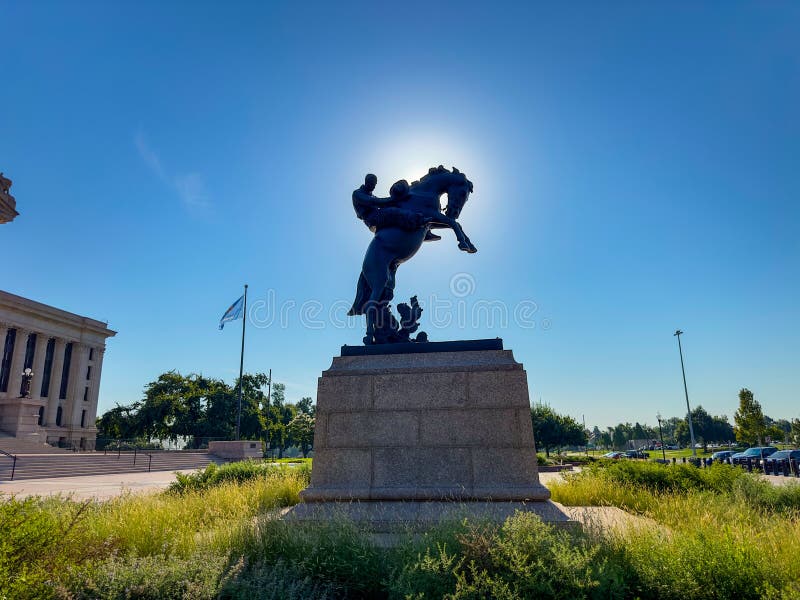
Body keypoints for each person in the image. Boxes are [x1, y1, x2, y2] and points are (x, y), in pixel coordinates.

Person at [352, 174, 440, 241]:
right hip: (371, 218)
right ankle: (420, 222)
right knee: (393, 212)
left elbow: (381, 202)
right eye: (372, 183)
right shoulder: (358, 193)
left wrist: (397, 200)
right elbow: (376, 202)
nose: (374, 186)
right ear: (366, 182)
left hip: (376, 214)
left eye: (375, 184)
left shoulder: (371, 195)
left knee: (396, 207)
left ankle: (425, 232)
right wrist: (394, 199)